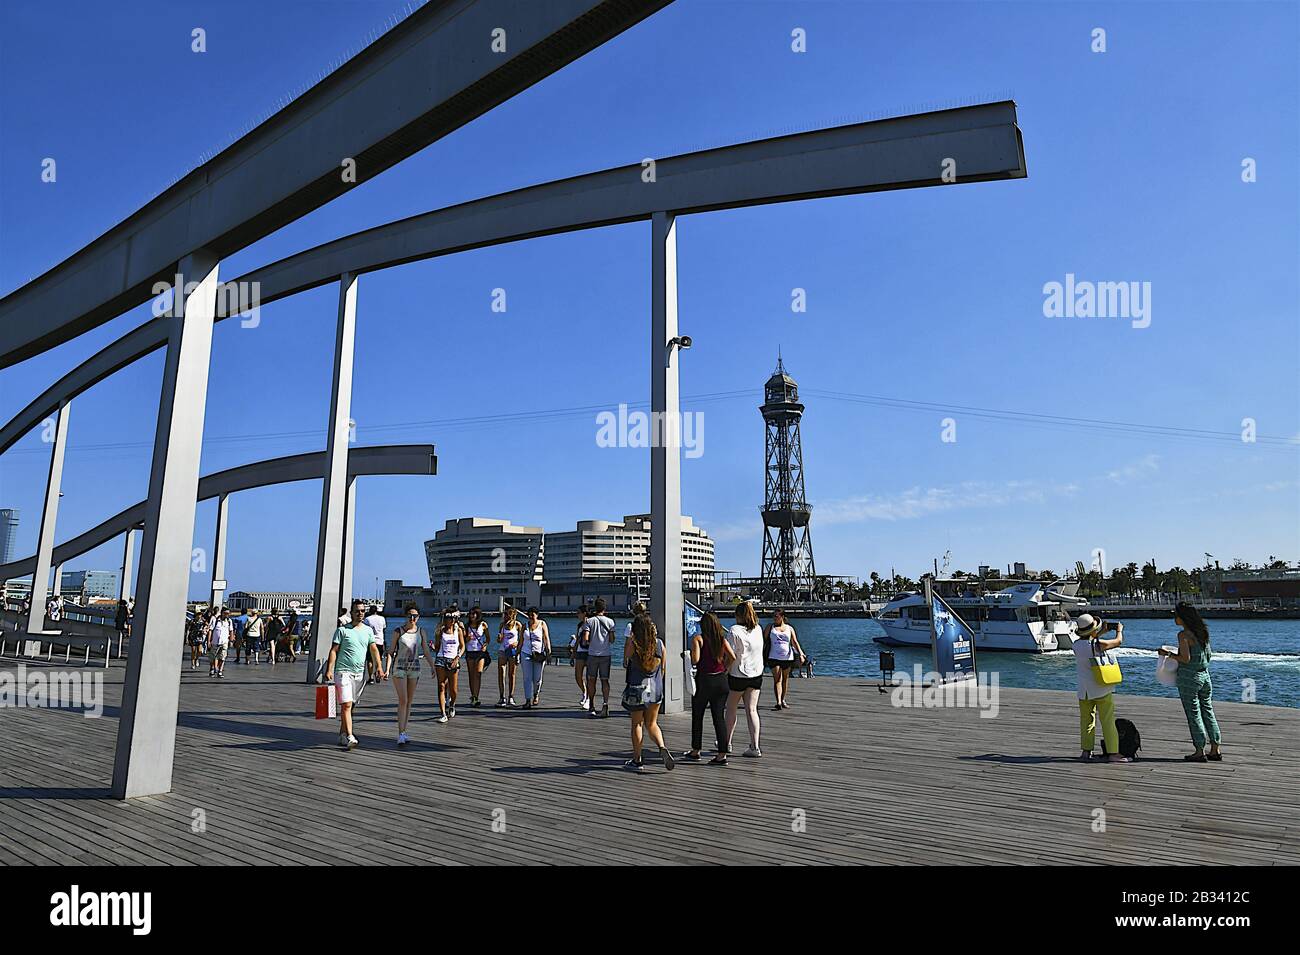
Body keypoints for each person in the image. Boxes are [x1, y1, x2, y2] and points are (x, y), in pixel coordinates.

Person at [1160, 602, 1223, 762]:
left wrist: (1168, 654)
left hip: (1189, 678)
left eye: (1176, 615)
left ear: (1182, 618)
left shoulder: (1184, 635)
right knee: (1208, 710)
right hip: (1205, 675)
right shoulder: (1203, 632)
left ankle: (1199, 750)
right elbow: (1207, 655)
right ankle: (1215, 748)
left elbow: (1185, 659)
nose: (1175, 617)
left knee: (1193, 714)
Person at [325, 599, 385, 750]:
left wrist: (379, 667)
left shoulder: (368, 631)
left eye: (362, 611)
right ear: (351, 613)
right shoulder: (342, 630)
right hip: (343, 672)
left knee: (350, 706)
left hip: (359, 674)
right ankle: (351, 736)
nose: (360, 613)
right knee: (346, 704)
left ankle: (342, 735)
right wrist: (329, 670)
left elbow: (374, 650)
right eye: (357, 611)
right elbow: (333, 651)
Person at [1071, 614, 1131, 763]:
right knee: (1107, 721)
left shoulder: (1076, 645)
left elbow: (1090, 642)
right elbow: (1118, 642)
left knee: (1087, 721)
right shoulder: (1098, 645)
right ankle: (1113, 753)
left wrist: (1100, 632)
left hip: (1084, 690)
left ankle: (1086, 751)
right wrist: (1119, 630)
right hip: (1101, 688)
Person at [622, 613, 674, 772]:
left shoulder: (634, 644)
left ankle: (637, 760)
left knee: (637, 724)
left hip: (638, 688)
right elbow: (663, 667)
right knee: (652, 723)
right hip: (655, 687)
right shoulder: (659, 644)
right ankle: (662, 746)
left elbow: (625, 660)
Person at [683, 611, 735, 764]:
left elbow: (695, 659)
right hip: (720, 680)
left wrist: (687, 656)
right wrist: (724, 668)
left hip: (704, 680)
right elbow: (732, 656)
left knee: (698, 716)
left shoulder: (698, 639)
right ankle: (722, 754)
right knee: (718, 718)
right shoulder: (721, 640)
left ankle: (696, 750)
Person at [724, 601, 764, 758]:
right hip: (756, 674)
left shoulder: (734, 631)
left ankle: (726, 743)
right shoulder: (758, 629)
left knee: (731, 708)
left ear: (738, 615)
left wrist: (724, 670)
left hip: (738, 674)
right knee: (752, 710)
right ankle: (755, 746)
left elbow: (731, 655)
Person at [386, 603, 427, 746]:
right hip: (399, 668)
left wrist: (433, 667)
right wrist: (386, 669)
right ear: (405, 616)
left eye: (415, 616)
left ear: (418, 617)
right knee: (403, 700)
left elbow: (426, 651)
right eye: (410, 615)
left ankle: (404, 730)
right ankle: (400, 733)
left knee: (409, 701)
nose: (412, 618)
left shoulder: (421, 632)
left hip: (414, 668)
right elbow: (390, 652)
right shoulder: (398, 631)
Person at [582, 597, 617, 719]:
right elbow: (612, 640)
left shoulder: (589, 621)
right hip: (605, 654)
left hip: (592, 655)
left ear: (595, 608)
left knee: (591, 680)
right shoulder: (610, 622)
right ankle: (605, 704)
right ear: (605, 608)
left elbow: (585, 639)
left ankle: (591, 705)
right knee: (605, 680)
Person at [764, 608, 805, 710]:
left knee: (785, 680)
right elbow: (763, 640)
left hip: (787, 657)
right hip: (773, 656)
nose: (774, 618)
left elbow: (794, 642)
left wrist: (800, 653)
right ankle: (778, 701)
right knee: (777, 679)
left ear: (782, 617)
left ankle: (783, 700)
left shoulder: (789, 628)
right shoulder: (770, 627)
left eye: (776, 616)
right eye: (773, 616)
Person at [430, 610, 464, 722]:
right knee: (441, 686)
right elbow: (437, 647)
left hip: (453, 659)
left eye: (451, 619)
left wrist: (457, 657)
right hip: (441, 659)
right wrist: (432, 646)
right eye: (447, 619)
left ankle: (452, 704)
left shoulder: (458, 630)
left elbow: (462, 646)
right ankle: (443, 714)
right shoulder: (440, 631)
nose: (449, 621)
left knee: (453, 690)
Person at [520, 607, 551, 709]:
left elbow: (546, 638)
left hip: (539, 654)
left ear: (537, 615)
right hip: (526, 652)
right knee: (527, 678)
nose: (531, 617)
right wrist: (517, 653)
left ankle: (536, 694)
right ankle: (528, 700)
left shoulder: (542, 624)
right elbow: (521, 640)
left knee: (537, 678)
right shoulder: (525, 626)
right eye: (529, 615)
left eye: (532, 615)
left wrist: (548, 651)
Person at [462, 606, 491, 707]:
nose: (471, 616)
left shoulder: (483, 625)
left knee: (478, 673)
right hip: (470, 652)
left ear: (478, 615)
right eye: (470, 614)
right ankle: (473, 696)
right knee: (471, 675)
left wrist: (485, 645)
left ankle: (476, 696)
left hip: (480, 652)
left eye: (473, 614)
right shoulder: (466, 626)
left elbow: (488, 638)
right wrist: (467, 639)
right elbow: (463, 641)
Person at [496, 606, 522, 707]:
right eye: (505, 614)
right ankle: (502, 697)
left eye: (507, 614)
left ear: (513, 615)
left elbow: (522, 639)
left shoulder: (517, 625)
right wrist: (499, 638)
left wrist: (517, 643)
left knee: (512, 674)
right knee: (501, 673)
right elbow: (499, 641)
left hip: (512, 651)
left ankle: (511, 696)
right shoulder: (502, 625)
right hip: (503, 650)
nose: (505, 616)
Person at [363, 604, 387, 684]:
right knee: (378, 659)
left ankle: (371, 678)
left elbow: (364, 630)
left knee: (370, 660)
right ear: (376, 611)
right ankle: (378, 674)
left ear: (370, 611)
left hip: (370, 641)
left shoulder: (367, 619)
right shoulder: (382, 618)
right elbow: (383, 629)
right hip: (380, 641)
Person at [572, 604, 590, 710]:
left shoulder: (591, 623)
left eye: (578, 612)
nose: (577, 614)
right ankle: (584, 692)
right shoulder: (580, 625)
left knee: (589, 676)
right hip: (580, 651)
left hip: (589, 651)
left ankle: (588, 698)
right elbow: (578, 639)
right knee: (578, 676)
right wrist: (573, 652)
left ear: (584, 613)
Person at [209, 607, 235, 678]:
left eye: (228, 613)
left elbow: (231, 630)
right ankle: (213, 668)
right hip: (215, 641)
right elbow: (210, 630)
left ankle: (220, 670)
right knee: (213, 656)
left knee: (223, 657)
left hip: (224, 642)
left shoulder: (229, 621)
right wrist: (209, 641)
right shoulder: (215, 620)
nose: (227, 615)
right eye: (226, 613)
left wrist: (231, 640)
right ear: (222, 613)